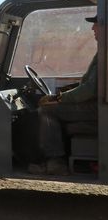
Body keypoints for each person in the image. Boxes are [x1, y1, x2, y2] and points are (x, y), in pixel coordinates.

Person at [37, 14, 98, 171]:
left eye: (97, 24)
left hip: (98, 108)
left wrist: (60, 98)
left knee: (47, 110)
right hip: (97, 104)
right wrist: (60, 94)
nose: (93, 28)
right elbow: (88, 85)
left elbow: (90, 90)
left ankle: (56, 161)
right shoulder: (103, 51)